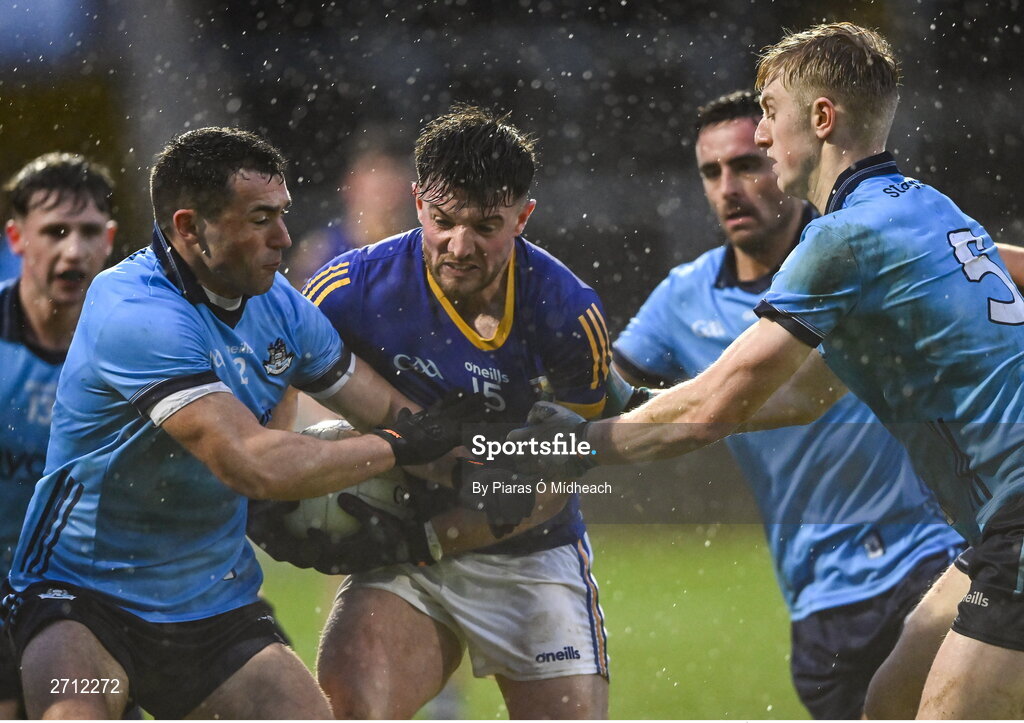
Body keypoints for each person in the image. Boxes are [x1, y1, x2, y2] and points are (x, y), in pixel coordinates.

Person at [513, 23, 1024, 719]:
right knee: (888, 703)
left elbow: (718, 405)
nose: (758, 134)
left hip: (1014, 520)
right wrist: (642, 405)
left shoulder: (841, 238)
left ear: (821, 119)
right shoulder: (927, 207)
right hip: (994, 525)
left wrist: (577, 446)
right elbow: (803, 397)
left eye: (769, 111)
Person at [0, 127, 479, 720]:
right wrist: (399, 446)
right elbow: (251, 461)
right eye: (259, 219)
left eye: (282, 215)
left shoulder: (280, 305)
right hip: (84, 599)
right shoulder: (135, 310)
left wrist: (489, 463)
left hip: (212, 606)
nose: (282, 236)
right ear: (188, 227)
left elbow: (386, 408)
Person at [612, 90, 964, 719]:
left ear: (786, 152)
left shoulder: (860, 243)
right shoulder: (683, 298)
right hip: (820, 598)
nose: (730, 187)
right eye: (711, 172)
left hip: (930, 558)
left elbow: (985, 266)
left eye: (748, 163)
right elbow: (599, 392)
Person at [307, 105, 611, 719]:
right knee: (347, 704)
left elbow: (555, 483)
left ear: (524, 217)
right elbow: (287, 410)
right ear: (418, 201)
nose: (459, 245)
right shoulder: (345, 291)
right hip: (401, 550)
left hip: (529, 553)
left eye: (486, 226)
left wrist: (439, 533)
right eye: (442, 221)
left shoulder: (568, 315)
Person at [0, 153, 117, 719]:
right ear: (17, 237)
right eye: (55, 232)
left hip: (94, 592)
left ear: (112, 239)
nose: (74, 251)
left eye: (89, 231)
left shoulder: (142, 346)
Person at [285, 130, 416, 289]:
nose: (386, 181)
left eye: (394, 169)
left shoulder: (423, 249)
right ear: (350, 183)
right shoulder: (321, 251)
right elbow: (299, 310)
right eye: (374, 169)